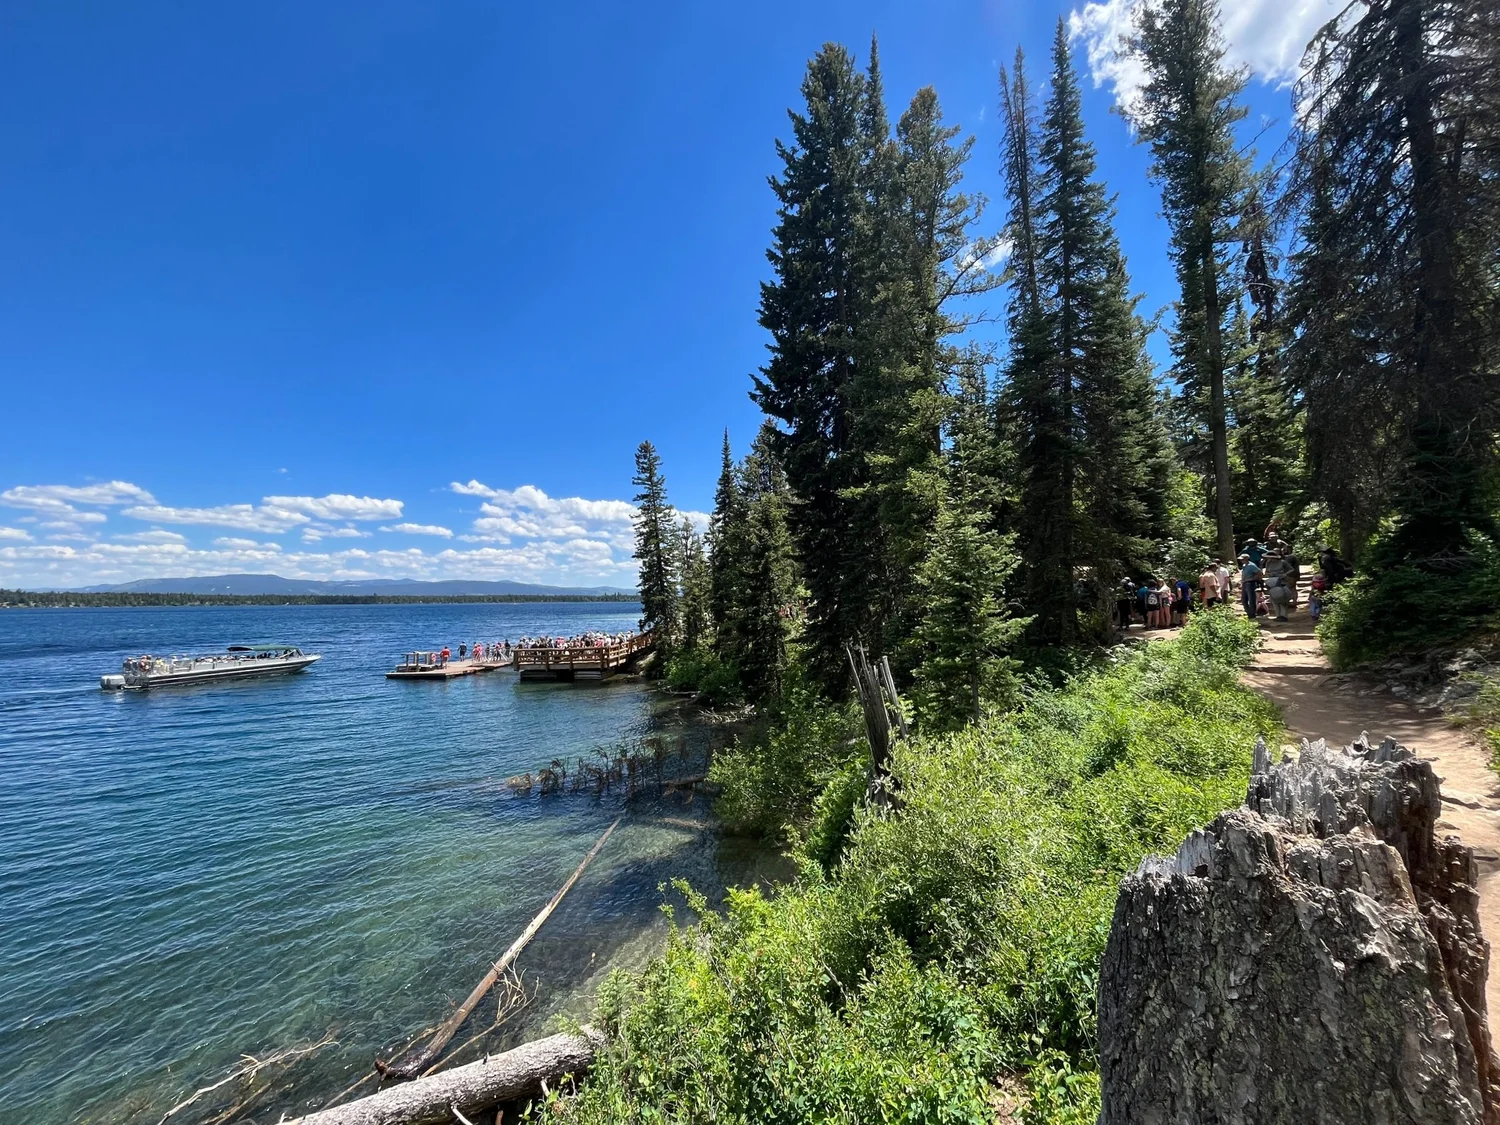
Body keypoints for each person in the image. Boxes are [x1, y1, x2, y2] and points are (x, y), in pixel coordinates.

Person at [1239, 554, 1262, 618]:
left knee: (1251, 599)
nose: (1241, 560)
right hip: (1244, 583)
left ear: (1246, 559)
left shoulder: (1252, 565)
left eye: (1242, 559)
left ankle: (1252, 614)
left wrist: (1253, 578)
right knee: (1244, 599)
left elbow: (1259, 572)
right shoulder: (1244, 565)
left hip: (1250, 583)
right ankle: (1248, 612)